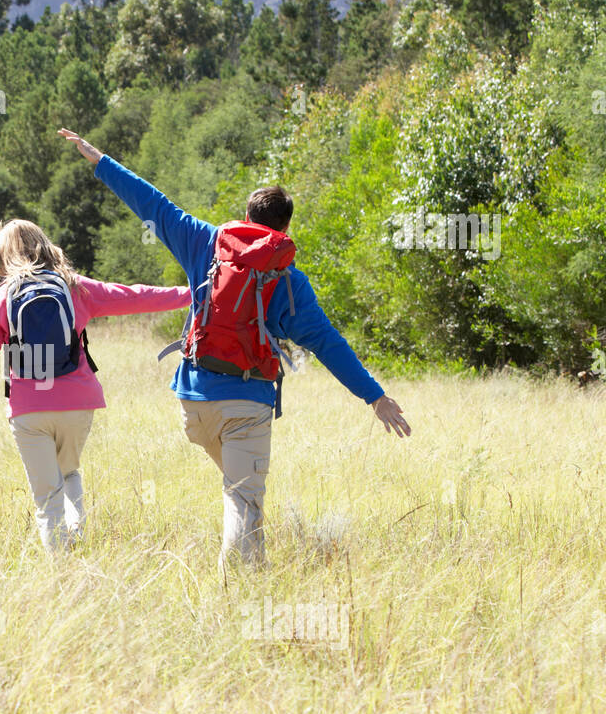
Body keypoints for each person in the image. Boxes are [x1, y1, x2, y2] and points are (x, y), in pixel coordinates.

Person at [57, 128, 411, 570]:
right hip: (246, 404)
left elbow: (153, 205)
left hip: (194, 404)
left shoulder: (205, 243)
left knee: (242, 491)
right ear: (284, 229)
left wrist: (101, 161)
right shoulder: (289, 281)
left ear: (245, 215)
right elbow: (328, 344)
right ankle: (238, 597)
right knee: (243, 500)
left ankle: (256, 574)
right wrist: (374, 397)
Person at [0, 218, 190, 550]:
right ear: (43, 245)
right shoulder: (75, 287)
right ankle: (76, 535)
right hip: (78, 404)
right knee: (70, 473)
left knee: (47, 499)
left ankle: (60, 577)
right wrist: (192, 294)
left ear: (3, 256)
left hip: (29, 410)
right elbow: (135, 296)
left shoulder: (2, 298)